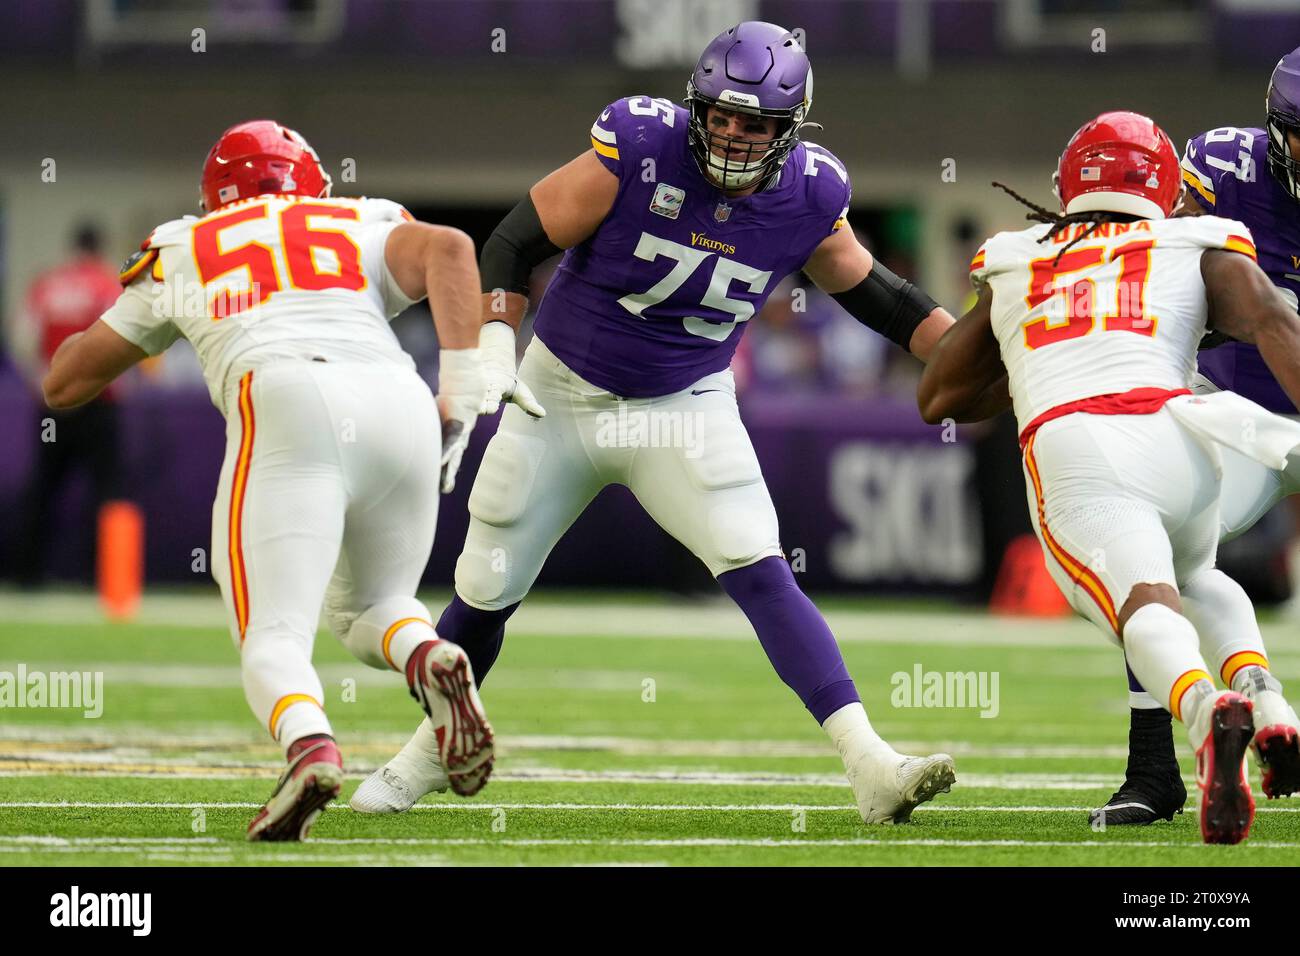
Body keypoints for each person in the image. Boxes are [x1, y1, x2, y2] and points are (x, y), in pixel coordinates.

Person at [353, 21, 959, 825]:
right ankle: (427, 754)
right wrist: (495, 344)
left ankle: (870, 764)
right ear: (697, 107)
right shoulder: (639, 146)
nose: (735, 134)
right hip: (559, 397)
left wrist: (976, 355)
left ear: (792, 129)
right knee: (485, 586)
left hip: (684, 407)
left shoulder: (812, 193)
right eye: (723, 115)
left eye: (757, 123)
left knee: (758, 564)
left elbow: (883, 298)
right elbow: (512, 241)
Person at [41, 120, 493, 841]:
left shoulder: (183, 245)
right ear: (310, 182)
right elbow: (452, 249)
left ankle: (310, 746)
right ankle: (430, 654)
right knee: (374, 606)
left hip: (286, 399)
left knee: (273, 635)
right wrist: (461, 392)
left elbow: (65, 383)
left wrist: (152, 315)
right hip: (401, 399)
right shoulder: (357, 217)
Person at [918, 110, 1300, 844]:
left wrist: (1034, 359)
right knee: (1195, 574)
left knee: (1149, 598)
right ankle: (1265, 703)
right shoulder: (1201, 233)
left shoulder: (1019, 254)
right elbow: (1271, 320)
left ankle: (1202, 709)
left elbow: (939, 396)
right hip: (1207, 432)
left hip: (1097, 442)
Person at [1094, 47, 1300, 827]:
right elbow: (1156, 271)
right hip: (1232, 415)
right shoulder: (1225, 165)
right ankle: (1155, 770)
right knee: (1156, 551)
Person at [12, 224, 123, 586]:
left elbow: (23, 339)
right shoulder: (107, 283)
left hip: (54, 404)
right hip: (98, 402)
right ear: (99, 247)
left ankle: (28, 574)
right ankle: (103, 577)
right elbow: (122, 338)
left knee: (44, 488)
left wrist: (40, 381)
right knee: (106, 490)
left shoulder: (47, 284)